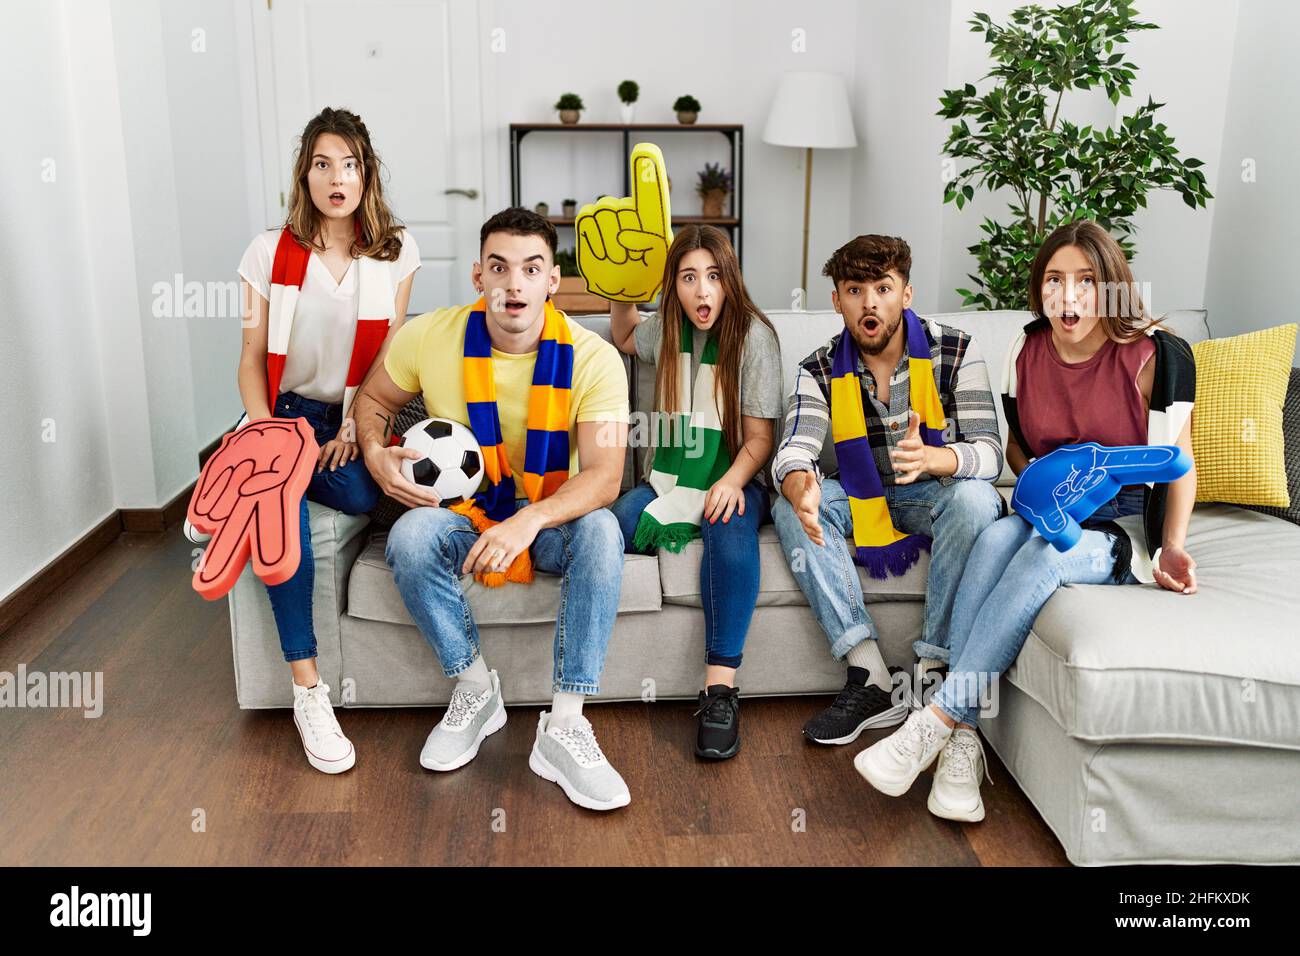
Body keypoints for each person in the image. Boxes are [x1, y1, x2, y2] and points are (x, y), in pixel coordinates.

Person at [856, 220, 1199, 822]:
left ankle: (931, 725)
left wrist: (1172, 545)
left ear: (1111, 286)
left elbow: (1178, 461)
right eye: (1055, 282)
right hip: (1048, 505)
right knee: (991, 538)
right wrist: (1042, 478)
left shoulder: (1156, 357)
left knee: (1045, 557)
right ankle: (962, 747)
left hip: (1121, 526)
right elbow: (1016, 447)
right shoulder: (1028, 347)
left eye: (1087, 283)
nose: (1069, 299)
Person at [352, 208, 633, 811]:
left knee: (604, 532)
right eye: (499, 268)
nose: (514, 285)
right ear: (478, 275)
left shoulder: (594, 357)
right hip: (466, 515)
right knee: (410, 536)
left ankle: (564, 727)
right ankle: (476, 689)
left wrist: (528, 520)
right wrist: (375, 454)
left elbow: (607, 477)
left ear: (552, 281)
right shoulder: (432, 335)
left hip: (551, 517)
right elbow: (374, 398)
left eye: (531, 269)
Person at [234, 107, 419, 774]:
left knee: (369, 485)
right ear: (304, 173)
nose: (335, 177)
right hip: (277, 415)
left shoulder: (397, 251)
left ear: (367, 173)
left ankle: (230, 499)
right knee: (279, 514)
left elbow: (387, 362)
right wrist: (271, 435)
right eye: (322, 163)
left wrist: (350, 430)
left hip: (349, 417)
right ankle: (308, 691)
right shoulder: (267, 252)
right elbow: (252, 355)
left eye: (349, 163)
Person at [771, 235, 1005, 745]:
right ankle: (870, 675)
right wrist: (801, 487)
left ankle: (934, 672)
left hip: (932, 495)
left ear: (906, 293)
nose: (870, 302)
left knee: (975, 500)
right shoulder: (818, 367)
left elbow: (991, 453)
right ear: (837, 301)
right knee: (789, 506)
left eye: (883, 288)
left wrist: (935, 458)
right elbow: (793, 450)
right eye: (855, 290)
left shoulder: (956, 349)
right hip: (861, 497)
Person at [601, 225, 784, 760]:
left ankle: (720, 690)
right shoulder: (668, 329)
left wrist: (729, 482)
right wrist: (620, 286)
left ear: (729, 281)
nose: (702, 292)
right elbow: (626, 336)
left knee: (729, 526)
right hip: (670, 481)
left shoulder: (755, 337)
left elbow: (759, 440)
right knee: (605, 528)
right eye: (688, 279)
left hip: (740, 475)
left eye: (712, 277)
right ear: (674, 287)